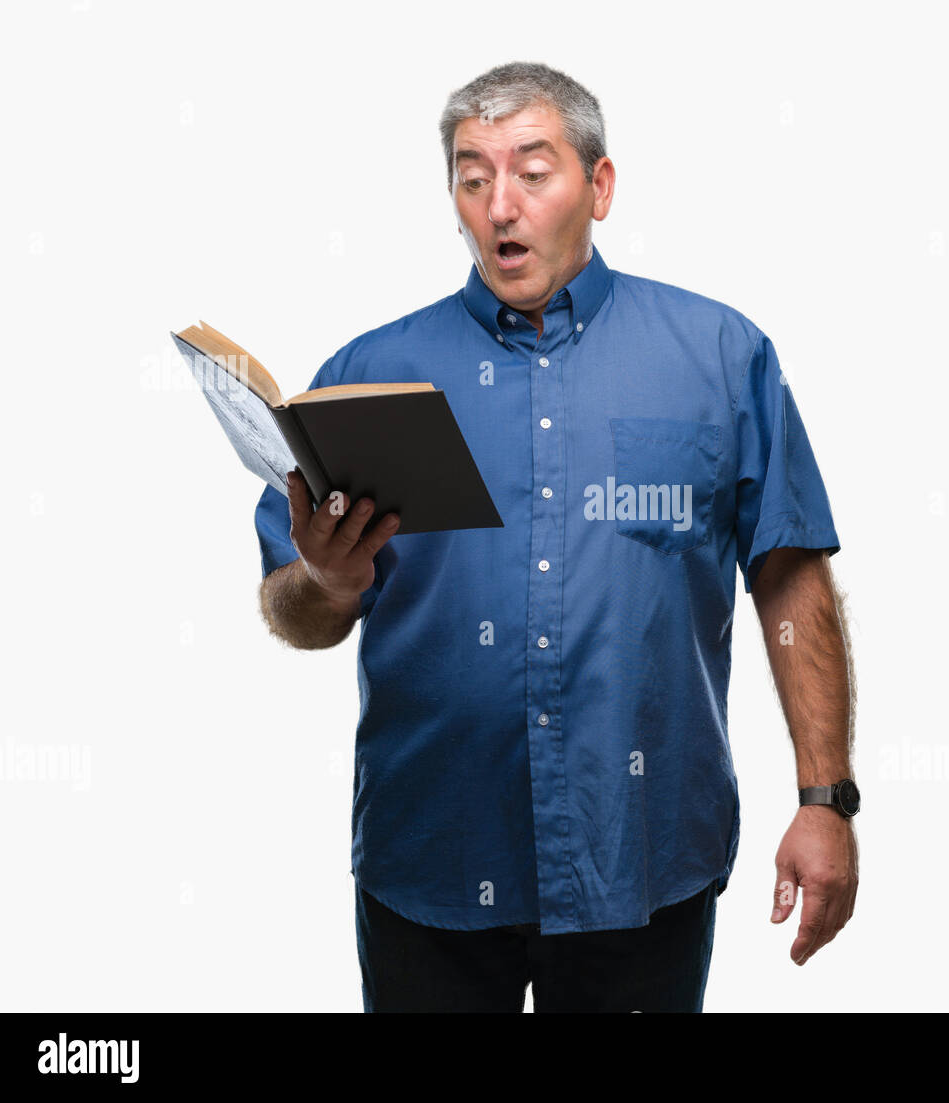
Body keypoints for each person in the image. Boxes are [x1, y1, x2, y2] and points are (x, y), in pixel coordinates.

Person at [255, 61, 859, 1013]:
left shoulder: (719, 355)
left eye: (533, 172)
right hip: (434, 863)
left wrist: (826, 800)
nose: (500, 206)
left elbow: (789, 576)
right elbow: (293, 610)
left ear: (600, 186)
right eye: (472, 175)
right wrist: (327, 584)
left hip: (644, 857)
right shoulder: (368, 375)